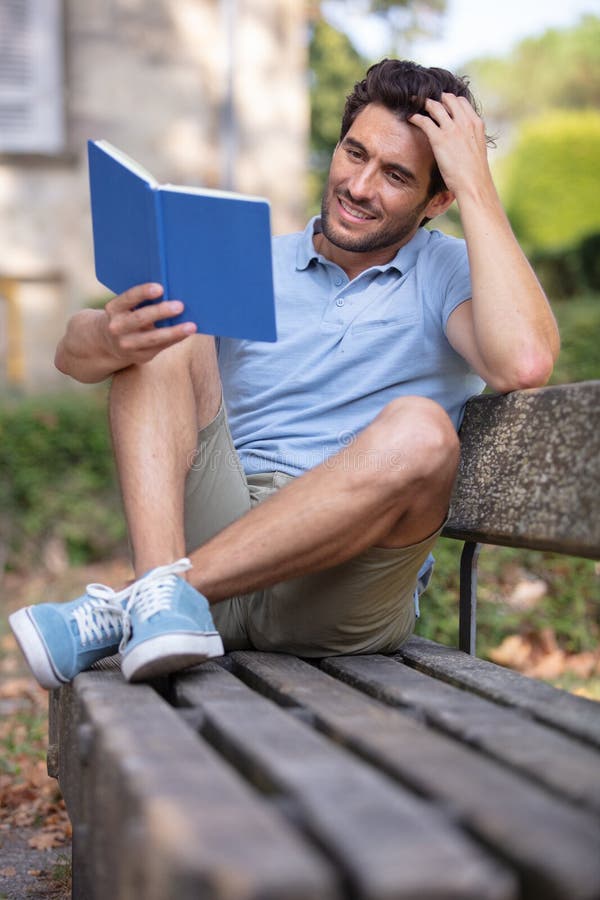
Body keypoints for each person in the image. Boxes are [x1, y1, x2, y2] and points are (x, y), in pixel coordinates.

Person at [10, 59, 559, 689]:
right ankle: (161, 603)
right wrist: (112, 334)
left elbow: (524, 362)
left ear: (438, 198)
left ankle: (144, 599)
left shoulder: (454, 274)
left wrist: (478, 186)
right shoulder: (250, 259)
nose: (359, 186)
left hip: (341, 580)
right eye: (355, 153)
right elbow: (71, 356)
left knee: (424, 431)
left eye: (396, 176)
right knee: (164, 331)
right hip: (220, 523)